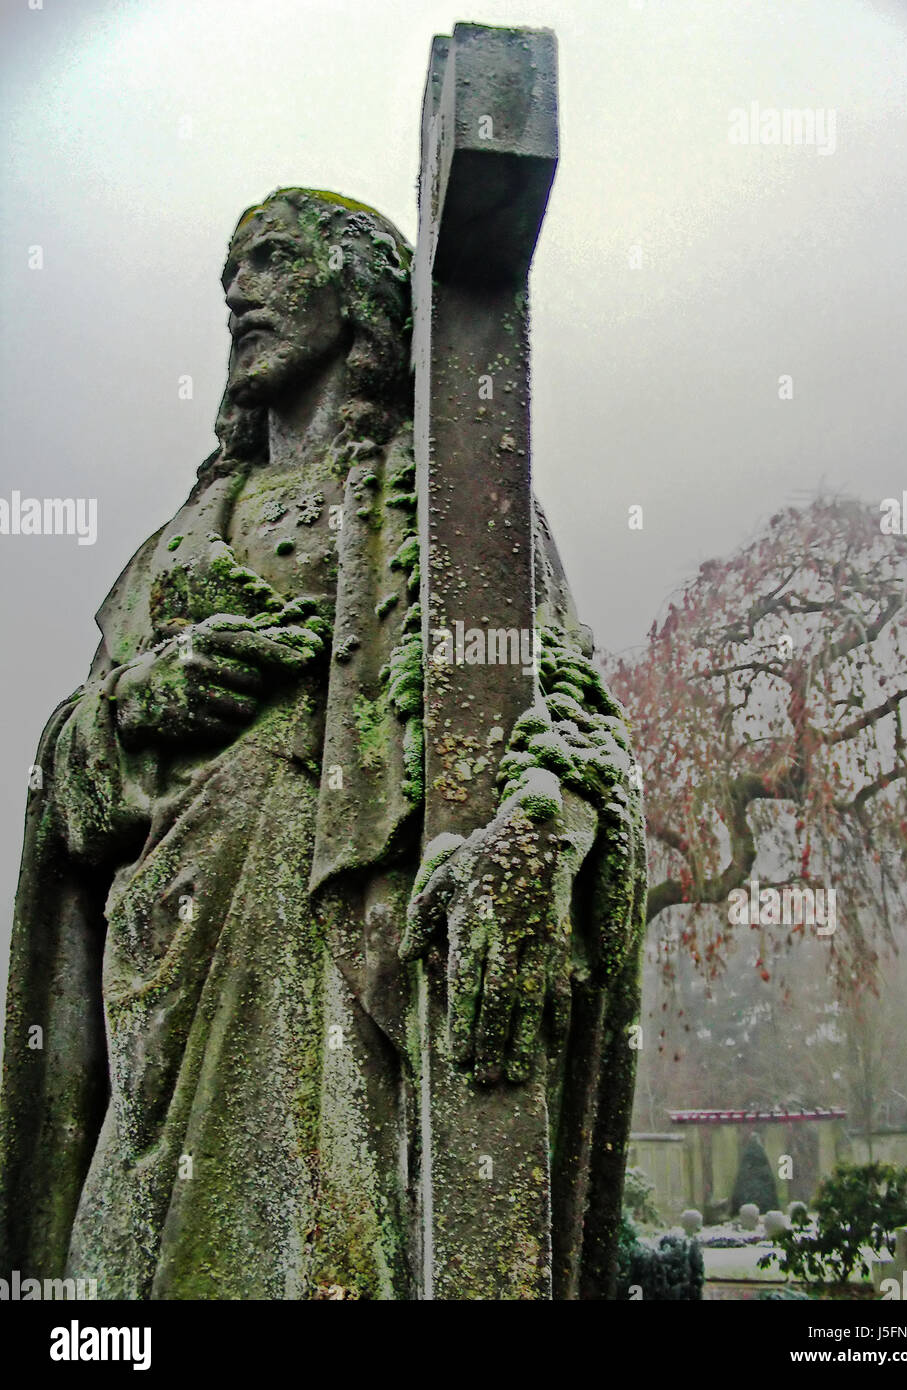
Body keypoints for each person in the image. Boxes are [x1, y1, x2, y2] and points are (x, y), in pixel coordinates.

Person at [0, 188, 646, 1299]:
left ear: (360, 296)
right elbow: (63, 773)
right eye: (229, 274)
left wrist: (539, 834)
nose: (240, 291)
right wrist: (145, 697)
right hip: (159, 980)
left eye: (272, 261)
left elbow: (576, 720)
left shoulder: (456, 513)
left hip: (344, 973)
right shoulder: (179, 542)